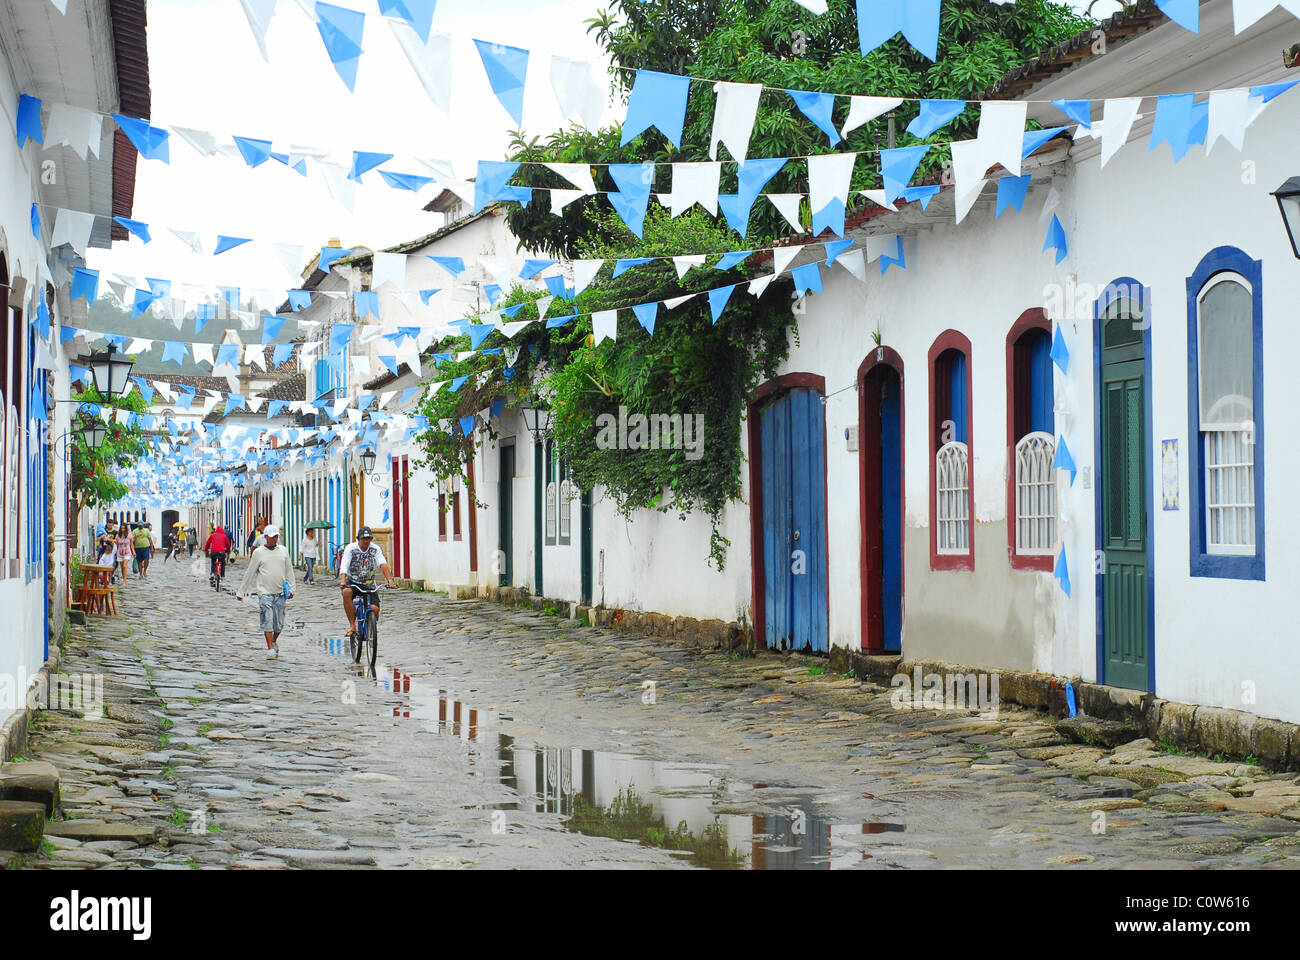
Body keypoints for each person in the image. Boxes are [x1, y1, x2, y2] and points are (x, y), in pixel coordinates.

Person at [236, 524, 295, 660]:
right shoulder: (258, 553)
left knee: (279, 624)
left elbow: (289, 571)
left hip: (280, 592)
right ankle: (270, 649)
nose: (275, 539)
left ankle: (274, 641)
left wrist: (292, 589)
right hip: (264, 593)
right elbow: (249, 573)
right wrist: (241, 592)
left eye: (276, 537)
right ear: (266, 537)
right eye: (272, 537)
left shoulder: (283, 551)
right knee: (267, 620)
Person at [339, 526, 394, 641]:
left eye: (368, 539)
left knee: (374, 609)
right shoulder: (351, 548)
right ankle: (353, 625)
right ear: (358, 539)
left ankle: (371, 628)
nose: (366, 541)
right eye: (363, 539)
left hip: (369, 584)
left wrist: (390, 580)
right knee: (346, 592)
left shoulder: (375, 549)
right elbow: (344, 565)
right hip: (353, 582)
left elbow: (382, 564)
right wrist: (343, 580)